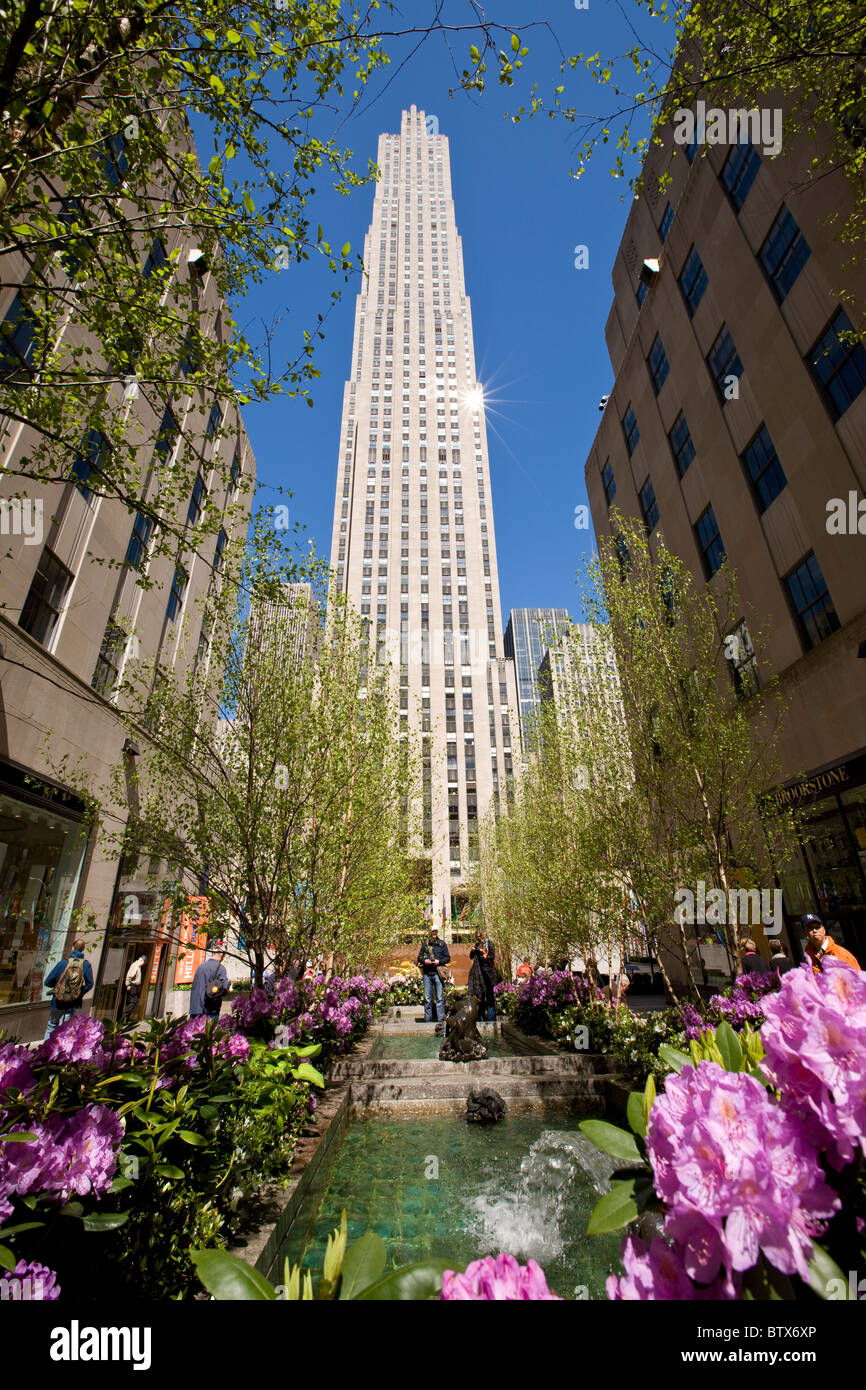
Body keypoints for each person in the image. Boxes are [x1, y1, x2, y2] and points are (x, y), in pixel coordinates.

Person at [43, 937, 93, 1038]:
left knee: (52, 1026)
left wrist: (58, 987)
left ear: (72, 948)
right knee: (65, 1029)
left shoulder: (63, 963)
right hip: (72, 1002)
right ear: (83, 949)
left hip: (57, 1001)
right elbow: (90, 984)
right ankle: (62, 1047)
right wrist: (79, 992)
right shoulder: (86, 964)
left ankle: (47, 1047)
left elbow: (47, 981)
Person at [417, 925, 451, 1023]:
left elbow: (447, 958)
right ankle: (428, 1020)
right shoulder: (425, 944)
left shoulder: (442, 944)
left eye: (435, 932)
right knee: (427, 998)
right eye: (432, 932)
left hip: (437, 973)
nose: (434, 934)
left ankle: (440, 1020)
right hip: (427, 973)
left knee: (440, 998)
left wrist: (439, 961)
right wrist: (425, 961)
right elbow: (419, 957)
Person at [189, 943, 229, 1018]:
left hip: (195, 1008)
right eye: (223, 956)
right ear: (220, 955)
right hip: (211, 1009)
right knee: (210, 1026)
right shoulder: (221, 968)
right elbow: (224, 987)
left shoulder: (200, 967)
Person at [469, 934, 497, 1022]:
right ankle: (481, 1018)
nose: (479, 938)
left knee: (489, 996)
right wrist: (472, 951)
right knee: (480, 995)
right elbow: (471, 957)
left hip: (488, 973)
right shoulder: (477, 945)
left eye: (480, 936)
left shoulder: (489, 944)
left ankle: (491, 1018)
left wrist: (486, 956)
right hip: (479, 974)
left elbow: (492, 956)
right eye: (477, 937)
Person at [121, 954, 147, 1021]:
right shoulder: (135, 965)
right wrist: (128, 984)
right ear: (141, 960)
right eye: (143, 962)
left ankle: (126, 1018)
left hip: (134, 986)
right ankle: (124, 1017)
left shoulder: (138, 966)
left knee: (132, 1002)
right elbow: (130, 975)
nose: (143, 964)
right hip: (132, 985)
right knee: (133, 1001)